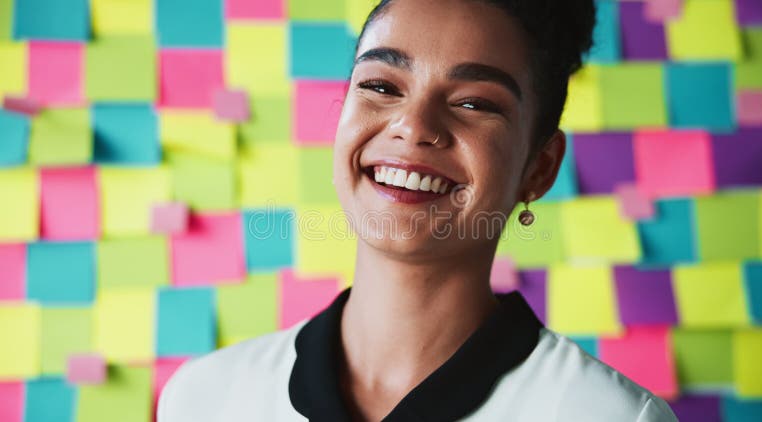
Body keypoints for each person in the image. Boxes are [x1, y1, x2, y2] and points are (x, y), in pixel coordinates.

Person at [157, 0, 679, 420]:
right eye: (381, 86)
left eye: (474, 102)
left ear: (539, 168)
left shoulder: (613, 415)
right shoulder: (203, 399)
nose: (413, 125)